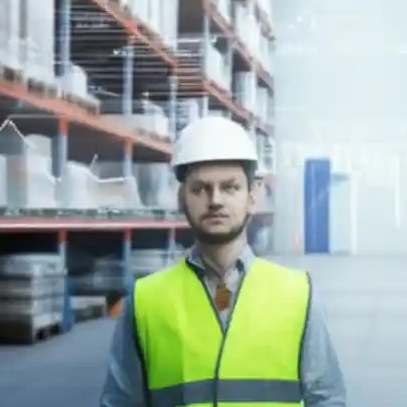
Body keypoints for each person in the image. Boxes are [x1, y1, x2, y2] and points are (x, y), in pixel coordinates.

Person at [100, 116, 347, 407]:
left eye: (230, 187)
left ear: (252, 196)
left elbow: (326, 398)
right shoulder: (146, 301)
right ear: (182, 197)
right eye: (200, 188)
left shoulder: (299, 294)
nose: (215, 200)